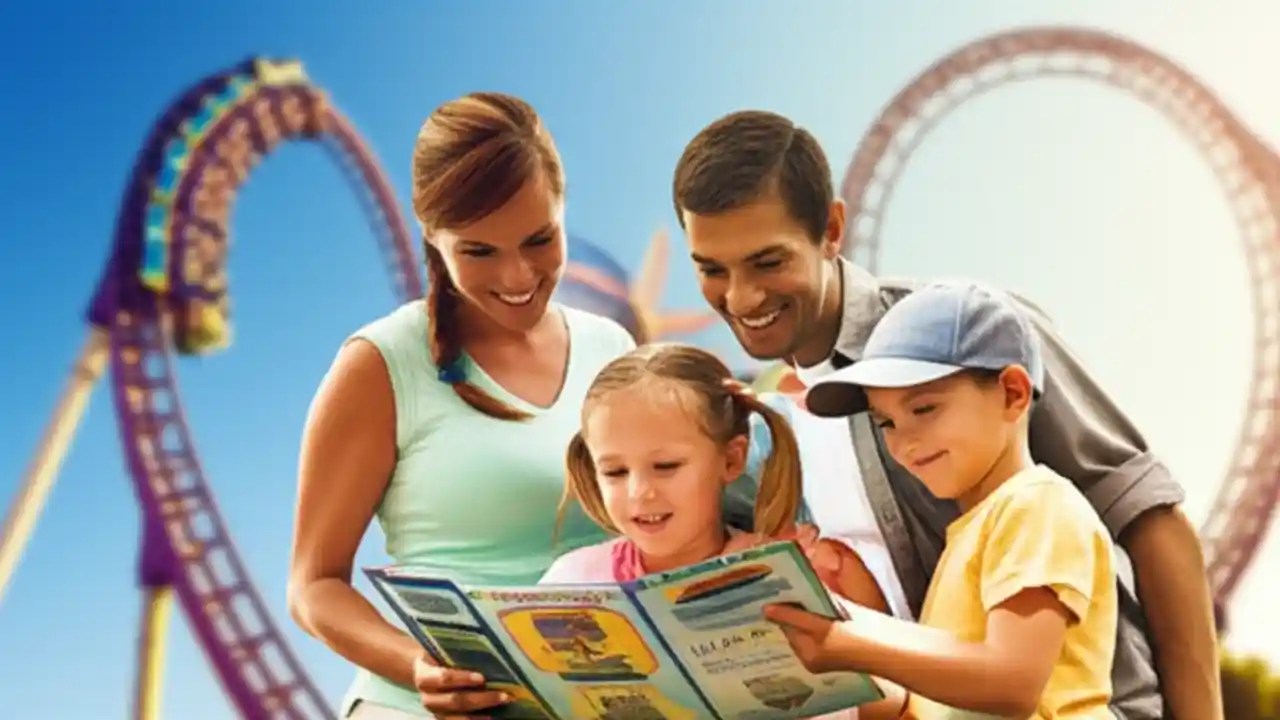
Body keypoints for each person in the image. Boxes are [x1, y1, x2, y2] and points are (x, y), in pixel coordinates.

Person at [670, 109, 1222, 720]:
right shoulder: (771, 416)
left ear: (830, 229)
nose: (742, 297)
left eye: (769, 262)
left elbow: (1152, 521)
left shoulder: (968, 339)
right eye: (710, 270)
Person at [286, 92, 636, 719]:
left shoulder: (613, 350)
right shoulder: (380, 364)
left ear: (563, 209)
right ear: (432, 234)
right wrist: (416, 666)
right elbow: (313, 586)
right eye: (479, 251)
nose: (517, 276)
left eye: (539, 239)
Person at [767, 281, 1119, 718]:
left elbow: (1012, 682)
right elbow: (943, 700)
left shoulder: (1035, 506)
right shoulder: (973, 529)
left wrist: (850, 645)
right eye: (886, 424)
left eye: (924, 409)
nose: (905, 443)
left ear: (1012, 392)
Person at [542, 342, 897, 719]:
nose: (638, 493)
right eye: (614, 472)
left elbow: (879, 701)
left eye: (665, 466)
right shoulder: (570, 581)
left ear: (731, 460)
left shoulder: (789, 577)